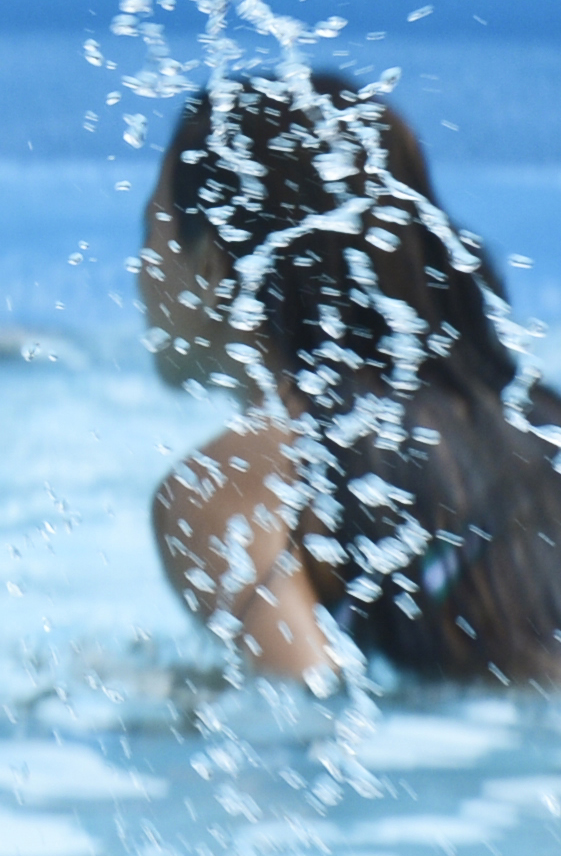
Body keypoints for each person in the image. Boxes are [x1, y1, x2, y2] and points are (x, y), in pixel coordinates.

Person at [141, 74, 561, 688]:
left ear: (211, 267)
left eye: (150, 234)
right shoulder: (537, 420)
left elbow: (304, 719)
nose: (139, 275)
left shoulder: (236, 484)